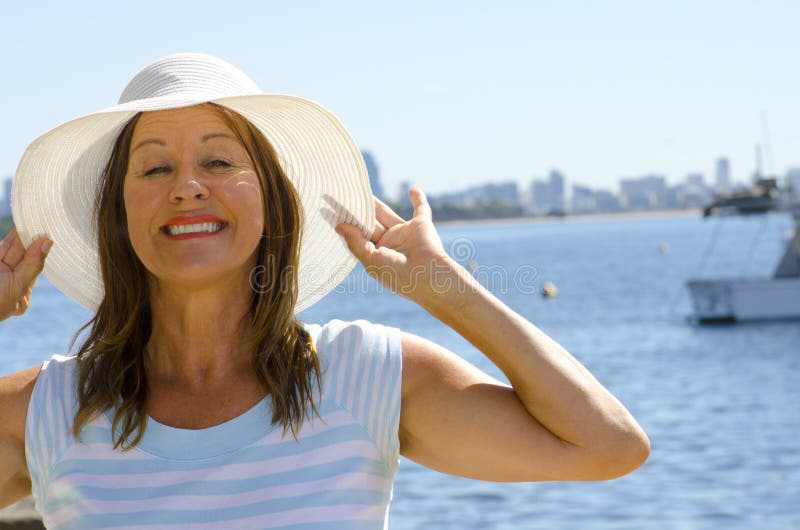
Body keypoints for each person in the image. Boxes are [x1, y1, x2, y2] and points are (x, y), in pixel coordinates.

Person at [0, 54, 649, 529]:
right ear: (118, 211)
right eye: (156, 166)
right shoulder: (49, 411)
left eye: (219, 161)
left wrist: (445, 289)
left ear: (272, 200)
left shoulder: (366, 376)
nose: (188, 186)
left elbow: (607, 446)